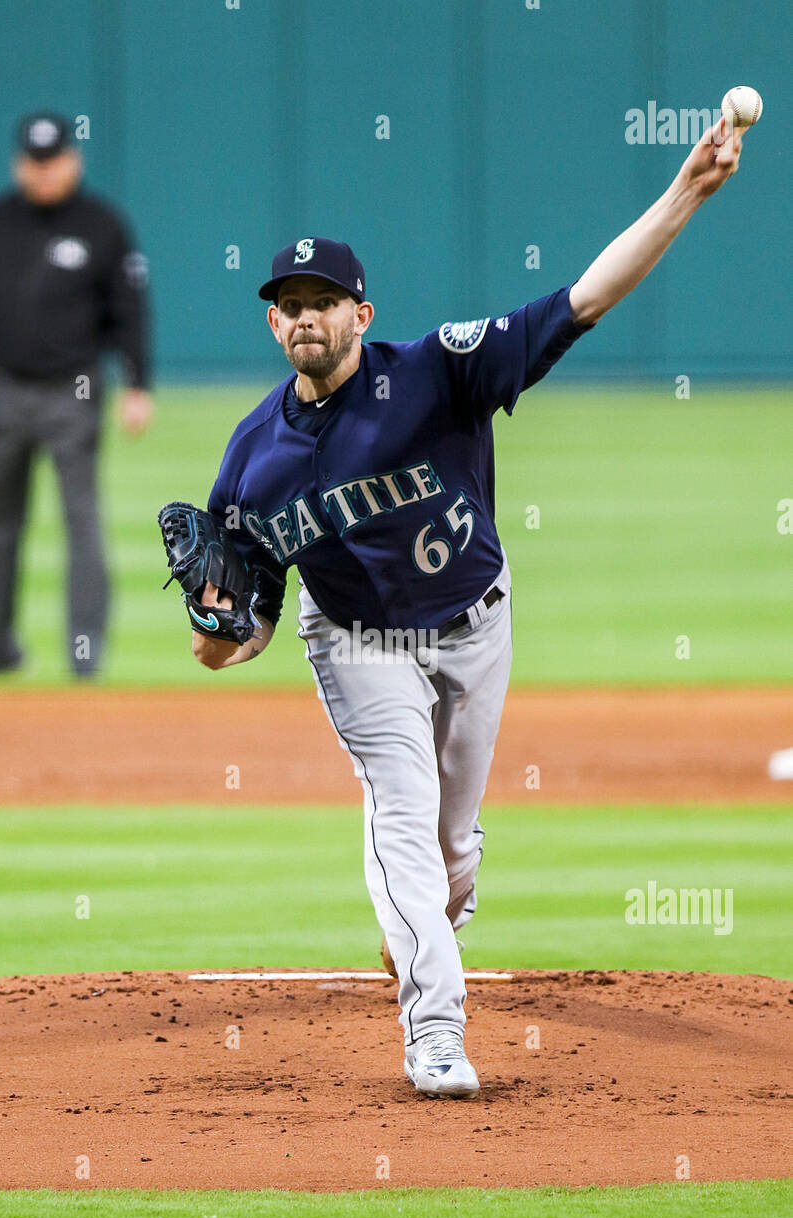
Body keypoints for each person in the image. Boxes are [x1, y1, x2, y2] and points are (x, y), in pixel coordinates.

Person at [189, 117, 744, 1097]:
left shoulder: (439, 370)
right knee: (397, 814)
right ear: (272, 324)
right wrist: (218, 625)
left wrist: (687, 193)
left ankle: (420, 931)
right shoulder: (251, 460)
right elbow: (241, 636)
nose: (305, 315)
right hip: (356, 643)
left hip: (477, 620)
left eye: (324, 300)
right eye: (289, 303)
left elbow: (584, 300)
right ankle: (433, 1031)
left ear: (364, 312)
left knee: (451, 854)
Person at [0, 112, 153, 677]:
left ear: (72, 161)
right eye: (34, 161)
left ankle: (85, 658)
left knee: (81, 523)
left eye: (53, 161)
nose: (44, 172)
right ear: (18, 164)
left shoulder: (103, 224)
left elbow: (129, 310)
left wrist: (137, 384)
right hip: (3, 388)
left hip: (71, 392)